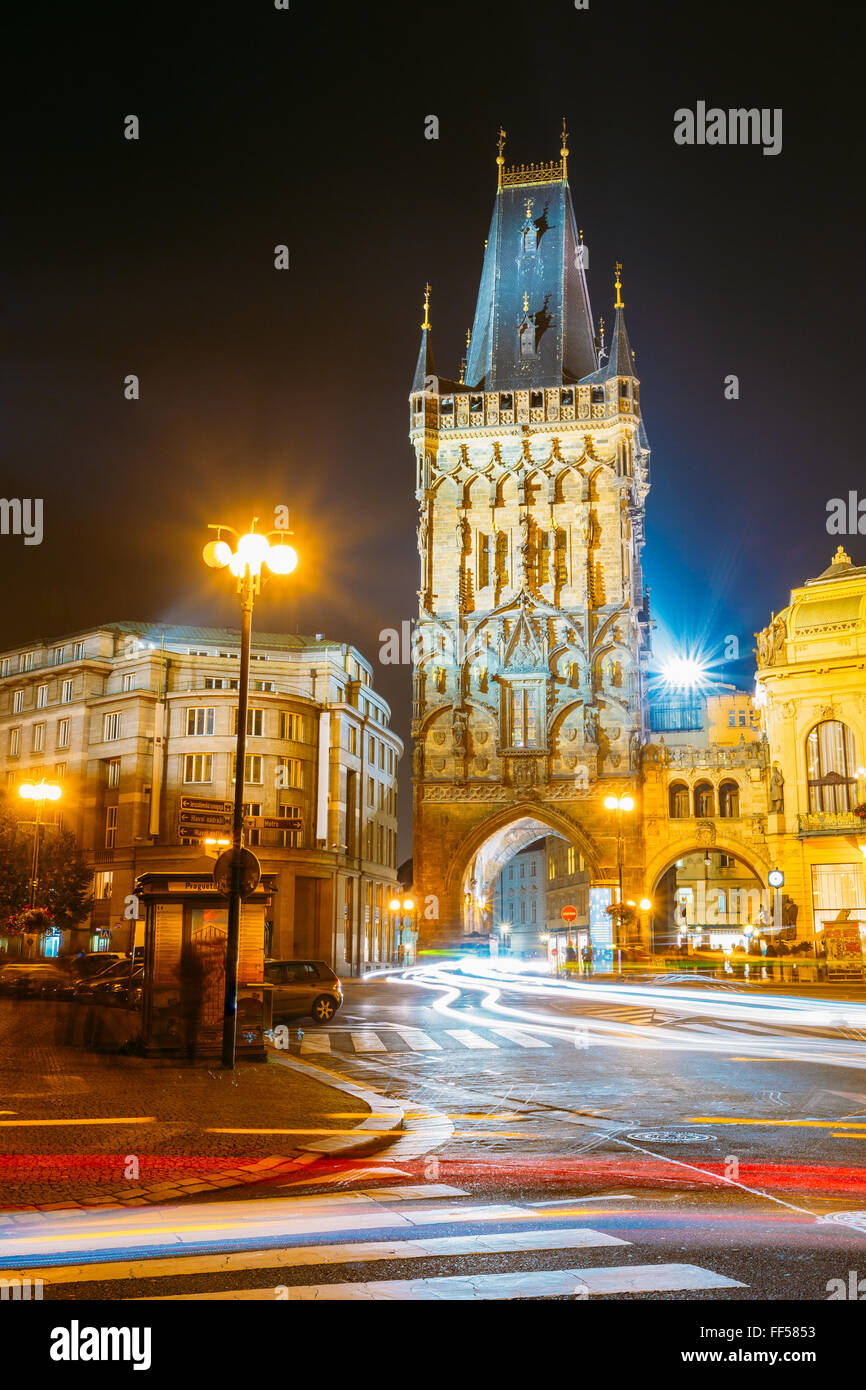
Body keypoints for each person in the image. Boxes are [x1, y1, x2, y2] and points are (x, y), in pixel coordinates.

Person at [178, 942, 205, 1063]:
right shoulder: (198, 962)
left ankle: (189, 1050)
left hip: (188, 999)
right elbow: (202, 977)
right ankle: (192, 1052)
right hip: (196, 999)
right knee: (193, 1027)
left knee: (188, 1027)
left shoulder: (185, 962)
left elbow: (181, 976)